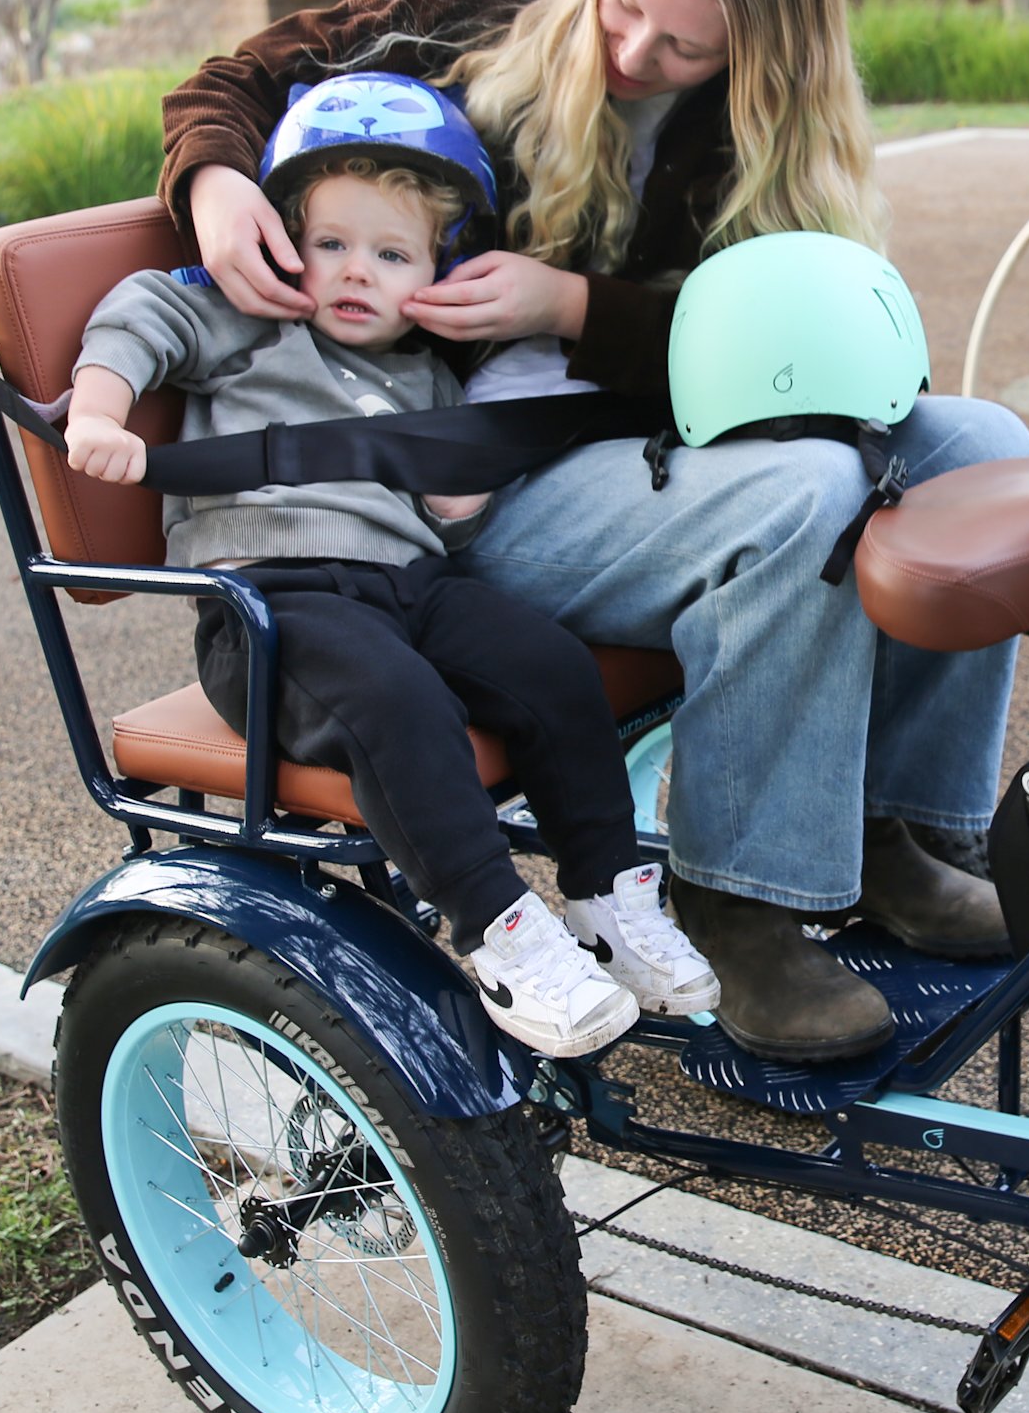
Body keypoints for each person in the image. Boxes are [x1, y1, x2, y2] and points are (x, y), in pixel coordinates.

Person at [160, 0, 1029, 1065]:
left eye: (686, 46)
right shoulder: (477, 9)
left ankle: (896, 833)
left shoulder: (766, 131)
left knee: (982, 449)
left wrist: (571, 306)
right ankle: (740, 903)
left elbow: (773, 350)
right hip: (472, 490)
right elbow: (239, 80)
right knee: (806, 495)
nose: (634, 53)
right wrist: (213, 181)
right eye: (626, 7)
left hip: (654, 439)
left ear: (765, 53)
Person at [70, 72, 721, 1060]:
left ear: (434, 267)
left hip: (412, 587)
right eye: (330, 244)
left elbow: (445, 525)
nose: (356, 272)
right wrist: (98, 410)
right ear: (288, 238)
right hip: (272, 606)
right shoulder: (245, 322)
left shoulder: (426, 372)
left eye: (389, 254)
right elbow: (143, 314)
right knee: (398, 699)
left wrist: (461, 509)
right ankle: (501, 933)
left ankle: (606, 899)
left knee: (550, 666)